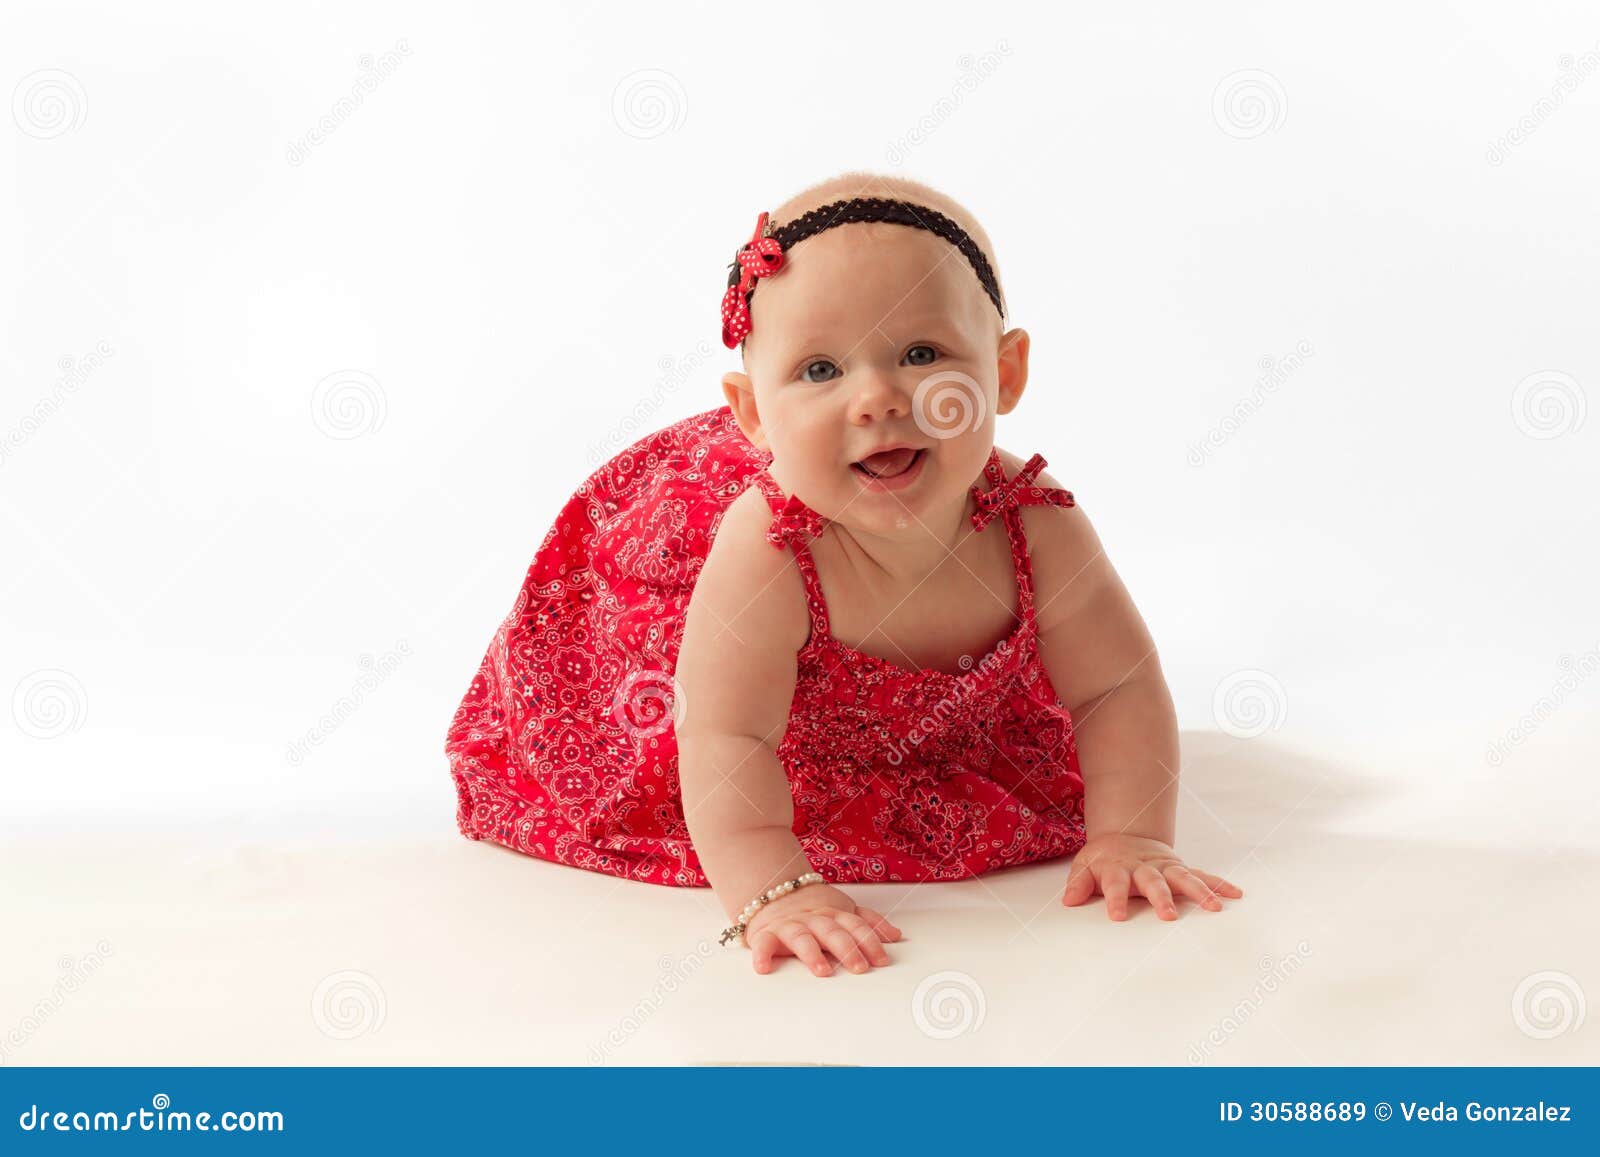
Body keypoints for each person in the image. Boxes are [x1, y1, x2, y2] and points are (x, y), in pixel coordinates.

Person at [444, 172, 1242, 977]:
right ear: (753, 414)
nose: (877, 399)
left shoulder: (1034, 517)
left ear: (1004, 373)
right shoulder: (769, 548)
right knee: (688, 716)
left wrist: (1131, 832)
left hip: (919, 704)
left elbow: (1116, 686)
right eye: (821, 370)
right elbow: (726, 732)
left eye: (922, 353)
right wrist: (772, 885)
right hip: (704, 660)